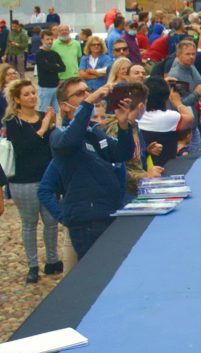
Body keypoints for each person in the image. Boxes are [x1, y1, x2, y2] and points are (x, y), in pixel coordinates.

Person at [37, 79, 138, 259]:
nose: (86, 95)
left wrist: (123, 125)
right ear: (64, 106)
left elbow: (122, 153)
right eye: (79, 94)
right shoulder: (58, 135)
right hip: (87, 222)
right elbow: (70, 141)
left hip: (109, 213)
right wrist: (65, 215)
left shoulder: (93, 131)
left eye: (87, 91)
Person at [4, 78, 61, 282]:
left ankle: (53, 260)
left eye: (33, 93)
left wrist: (50, 126)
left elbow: (53, 146)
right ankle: (32, 265)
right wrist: (44, 127)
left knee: (51, 221)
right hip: (23, 180)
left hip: (47, 177)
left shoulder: (45, 116)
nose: (32, 97)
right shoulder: (13, 122)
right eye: (26, 94)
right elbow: (23, 149)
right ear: (17, 99)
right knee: (29, 223)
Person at [167, 40, 201, 153]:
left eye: (193, 54)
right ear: (179, 55)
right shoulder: (176, 75)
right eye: (187, 54)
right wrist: (196, 93)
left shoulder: (192, 68)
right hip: (184, 128)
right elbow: (178, 104)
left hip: (195, 122)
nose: (191, 57)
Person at [35, 29, 65, 114]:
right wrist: (55, 66)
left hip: (55, 86)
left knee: (55, 111)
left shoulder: (55, 54)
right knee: (43, 110)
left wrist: (51, 66)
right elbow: (45, 67)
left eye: (51, 39)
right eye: (47, 39)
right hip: (45, 87)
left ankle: (53, 127)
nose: (50, 41)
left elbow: (63, 68)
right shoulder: (39, 54)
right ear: (42, 40)